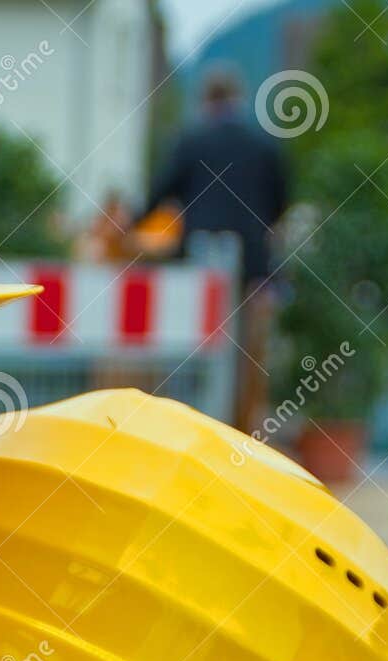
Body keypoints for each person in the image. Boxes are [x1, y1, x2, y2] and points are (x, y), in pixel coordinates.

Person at [141, 64, 288, 431]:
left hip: (198, 258)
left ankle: (189, 421)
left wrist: (130, 224)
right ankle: (237, 425)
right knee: (245, 350)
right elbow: (281, 201)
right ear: (239, 98)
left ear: (206, 100)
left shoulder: (191, 141)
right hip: (251, 264)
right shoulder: (263, 145)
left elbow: (161, 193)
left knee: (194, 341)